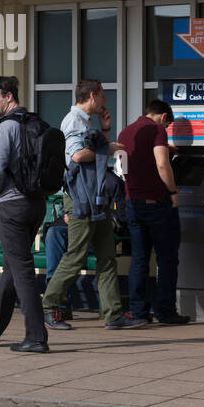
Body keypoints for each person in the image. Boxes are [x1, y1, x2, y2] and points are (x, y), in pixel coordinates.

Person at [41, 79, 142, 330]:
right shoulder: (73, 121)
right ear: (93, 96)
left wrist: (105, 130)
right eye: (103, 96)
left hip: (96, 199)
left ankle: (113, 315)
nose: (105, 101)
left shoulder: (86, 121)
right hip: (80, 198)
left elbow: (93, 155)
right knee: (75, 256)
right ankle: (48, 306)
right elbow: (76, 154)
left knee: (107, 258)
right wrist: (107, 146)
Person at [0, 75, 50, 353]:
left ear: (9, 96)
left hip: (12, 206)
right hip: (36, 204)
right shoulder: (35, 123)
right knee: (12, 267)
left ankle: (36, 337)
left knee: (21, 271)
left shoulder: (6, 127)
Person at [118, 98, 191, 325]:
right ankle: (165, 312)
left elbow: (124, 168)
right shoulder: (157, 129)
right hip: (158, 204)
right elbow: (162, 165)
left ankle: (138, 312)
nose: (167, 128)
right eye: (168, 124)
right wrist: (172, 192)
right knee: (167, 259)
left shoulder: (125, 132)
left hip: (133, 202)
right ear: (162, 117)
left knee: (139, 259)